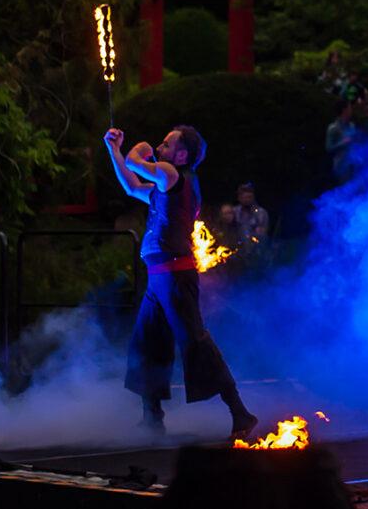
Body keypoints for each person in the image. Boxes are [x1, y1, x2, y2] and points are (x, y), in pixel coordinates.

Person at [103, 126, 257, 440]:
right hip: (160, 277)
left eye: (166, 143)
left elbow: (137, 164)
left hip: (174, 275)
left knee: (195, 342)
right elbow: (132, 187)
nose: (159, 145)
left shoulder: (173, 174)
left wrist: (136, 149)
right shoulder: (164, 184)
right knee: (147, 343)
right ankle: (152, 418)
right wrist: (114, 150)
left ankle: (240, 412)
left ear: (182, 154)